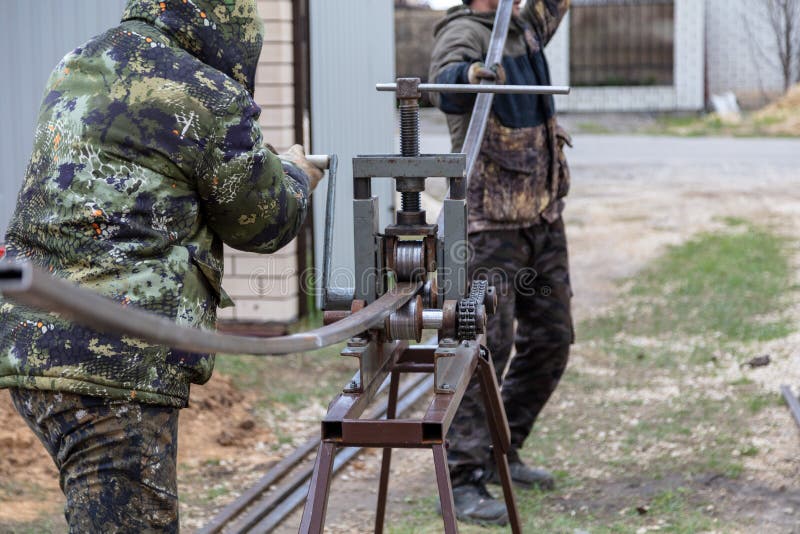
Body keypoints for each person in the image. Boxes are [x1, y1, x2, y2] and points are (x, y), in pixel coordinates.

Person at [0, 0, 322, 531]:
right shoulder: (207, 93)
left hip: (33, 340)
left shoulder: (78, 62)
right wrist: (295, 174)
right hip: (114, 359)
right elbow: (262, 221)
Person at [430, 0, 573, 525]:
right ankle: (464, 476)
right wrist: (468, 74)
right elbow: (441, 84)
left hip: (540, 216)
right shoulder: (465, 31)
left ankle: (499, 452)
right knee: (486, 346)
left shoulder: (524, 25)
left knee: (553, 340)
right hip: (489, 223)